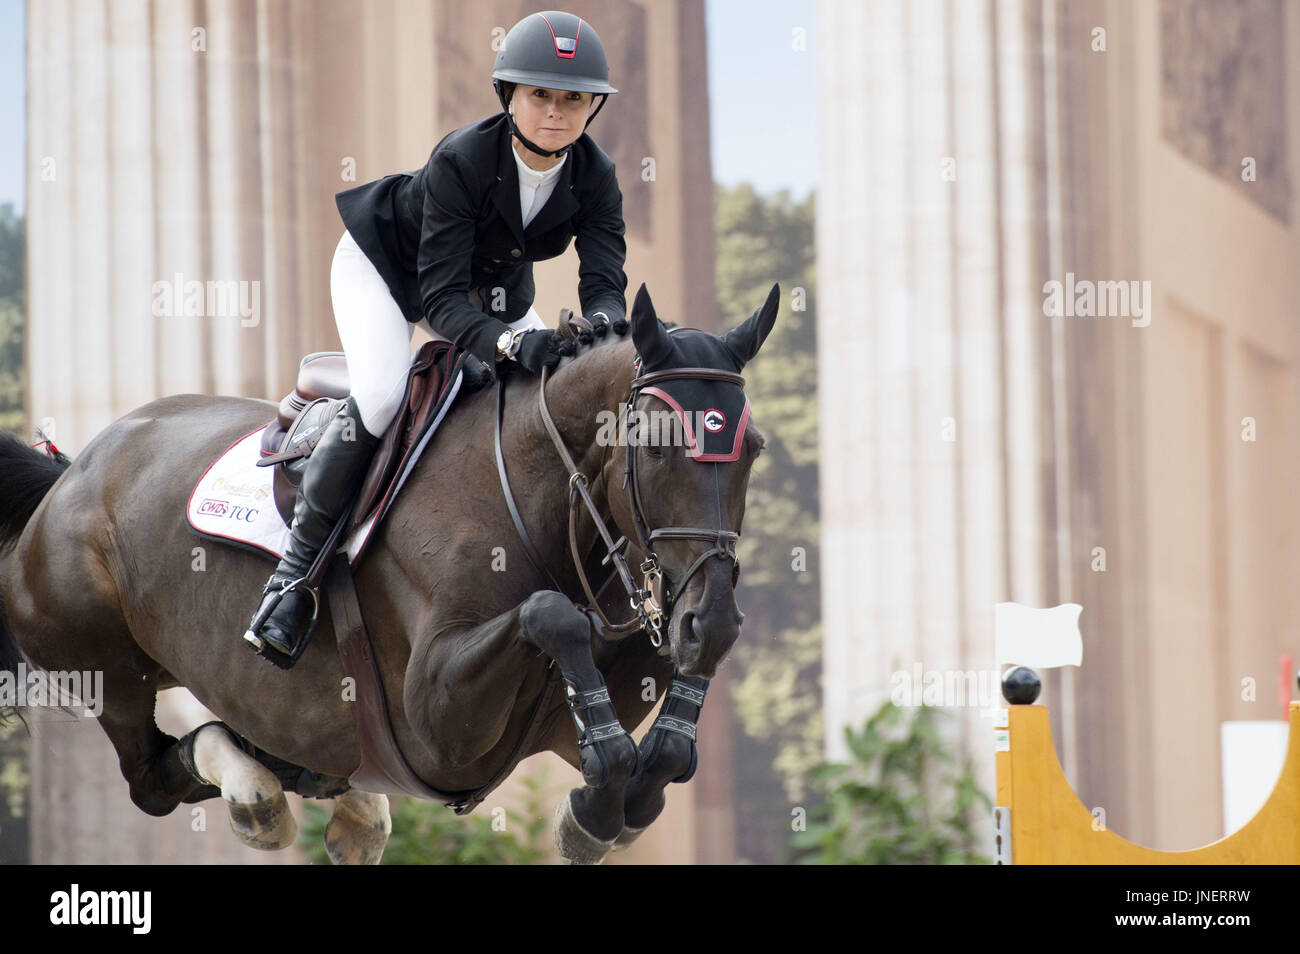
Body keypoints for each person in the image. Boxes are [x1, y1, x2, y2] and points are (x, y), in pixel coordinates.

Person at [243, 10, 628, 664]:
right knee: (385, 395)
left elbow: (604, 283)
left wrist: (601, 330)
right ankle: (293, 579)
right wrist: (509, 346)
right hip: (387, 271)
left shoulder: (596, 174)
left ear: (592, 106)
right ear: (510, 95)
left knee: (558, 397)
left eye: (574, 99)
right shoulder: (464, 159)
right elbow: (442, 301)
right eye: (541, 95)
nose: (558, 112)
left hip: (491, 294)